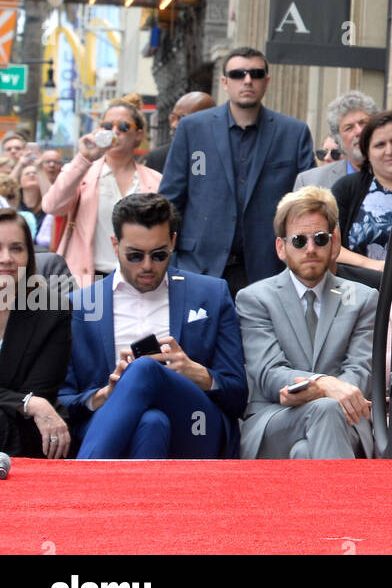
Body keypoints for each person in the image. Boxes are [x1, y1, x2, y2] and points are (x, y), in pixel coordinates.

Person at [60, 192, 248, 459]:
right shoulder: (78, 306)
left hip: (197, 426)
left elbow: (238, 396)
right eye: (135, 256)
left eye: (159, 255)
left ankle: (84, 479)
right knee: (152, 422)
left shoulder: (212, 294)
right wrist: (107, 393)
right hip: (115, 432)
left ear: (172, 242)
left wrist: (198, 374)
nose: (147, 266)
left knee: (145, 369)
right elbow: (63, 402)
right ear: (115, 246)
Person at [235, 186, 378, 459]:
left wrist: (319, 392)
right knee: (324, 409)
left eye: (320, 239)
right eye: (299, 240)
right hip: (275, 418)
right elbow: (268, 373)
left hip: (343, 419)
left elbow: (360, 371)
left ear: (334, 243)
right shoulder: (254, 298)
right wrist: (324, 384)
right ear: (281, 247)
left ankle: (327, 503)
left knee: (305, 450)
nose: (310, 249)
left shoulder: (361, 298)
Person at [159, 47, 314, 296]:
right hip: (199, 266)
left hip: (268, 269)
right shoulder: (192, 129)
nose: (247, 80)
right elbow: (171, 201)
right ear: (224, 82)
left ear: (267, 81)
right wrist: (168, 258)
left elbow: (307, 205)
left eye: (255, 73)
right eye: (238, 74)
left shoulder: (293, 133)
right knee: (198, 336)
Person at [42, 97, 163, 289]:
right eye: (107, 126)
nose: (114, 132)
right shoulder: (83, 173)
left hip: (137, 281)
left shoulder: (154, 180)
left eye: (123, 127)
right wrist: (84, 158)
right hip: (87, 279)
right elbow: (52, 206)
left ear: (138, 135)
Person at [0, 207, 72, 459]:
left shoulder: (53, 310)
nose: (6, 258)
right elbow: (33, 400)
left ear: (29, 256)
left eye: (16, 248)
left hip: (28, 432)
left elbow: (42, 390)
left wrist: (34, 402)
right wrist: (29, 402)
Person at [331, 110, 392, 288]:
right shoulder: (347, 189)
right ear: (367, 152)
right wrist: (374, 266)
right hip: (359, 293)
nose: (390, 151)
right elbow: (328, 244)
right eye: (380, 145)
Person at [295, 91, 379, 190]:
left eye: (363, 123)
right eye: (349, 128)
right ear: (338, 141)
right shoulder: (310, 182)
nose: (359, 131)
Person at [143, 91, 217, 174]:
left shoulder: (224, 157)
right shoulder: (158, 158)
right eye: (172, 118)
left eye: (182, 119)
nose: (174, 125)